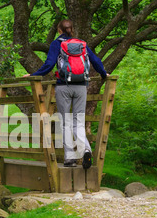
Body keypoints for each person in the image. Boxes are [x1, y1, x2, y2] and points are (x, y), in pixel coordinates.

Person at [24, 19, 108, 168]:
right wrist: (103, 73)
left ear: (59, 30)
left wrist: (33, 75)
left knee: (66, 122)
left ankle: (70, 158)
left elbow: (49, 64)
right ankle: (86, 149)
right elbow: (95, 60)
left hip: (63, 86)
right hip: (81, 87)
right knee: (78, 121)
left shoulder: (57, 44)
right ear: (72, 30)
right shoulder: (81, 43)